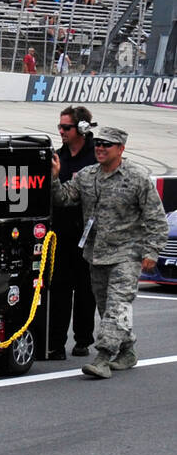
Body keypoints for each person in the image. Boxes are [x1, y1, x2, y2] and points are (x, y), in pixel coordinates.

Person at [49, 125, 167, 378]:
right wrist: (54, 178)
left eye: (107, 144)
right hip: (96, 254)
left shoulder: (137, 177)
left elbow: (156, 219)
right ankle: (127, 351)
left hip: (128, 254)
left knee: (117, 306)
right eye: (98, 144)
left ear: (121, 149)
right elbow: (65, 199)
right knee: (107, 309)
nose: (100, 148)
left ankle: (102, 357)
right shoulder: (86, 175)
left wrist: (152, 252)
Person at [46, 105, 97, 359]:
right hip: (62, 233)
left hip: (90, 234)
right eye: (60, 127)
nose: (61, 131)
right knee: (59, 288)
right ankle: (55, 342)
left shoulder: (97, 155)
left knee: (86, 289)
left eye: (66, 127)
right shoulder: (56, 156)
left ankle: (83, 340)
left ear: (82, 128)